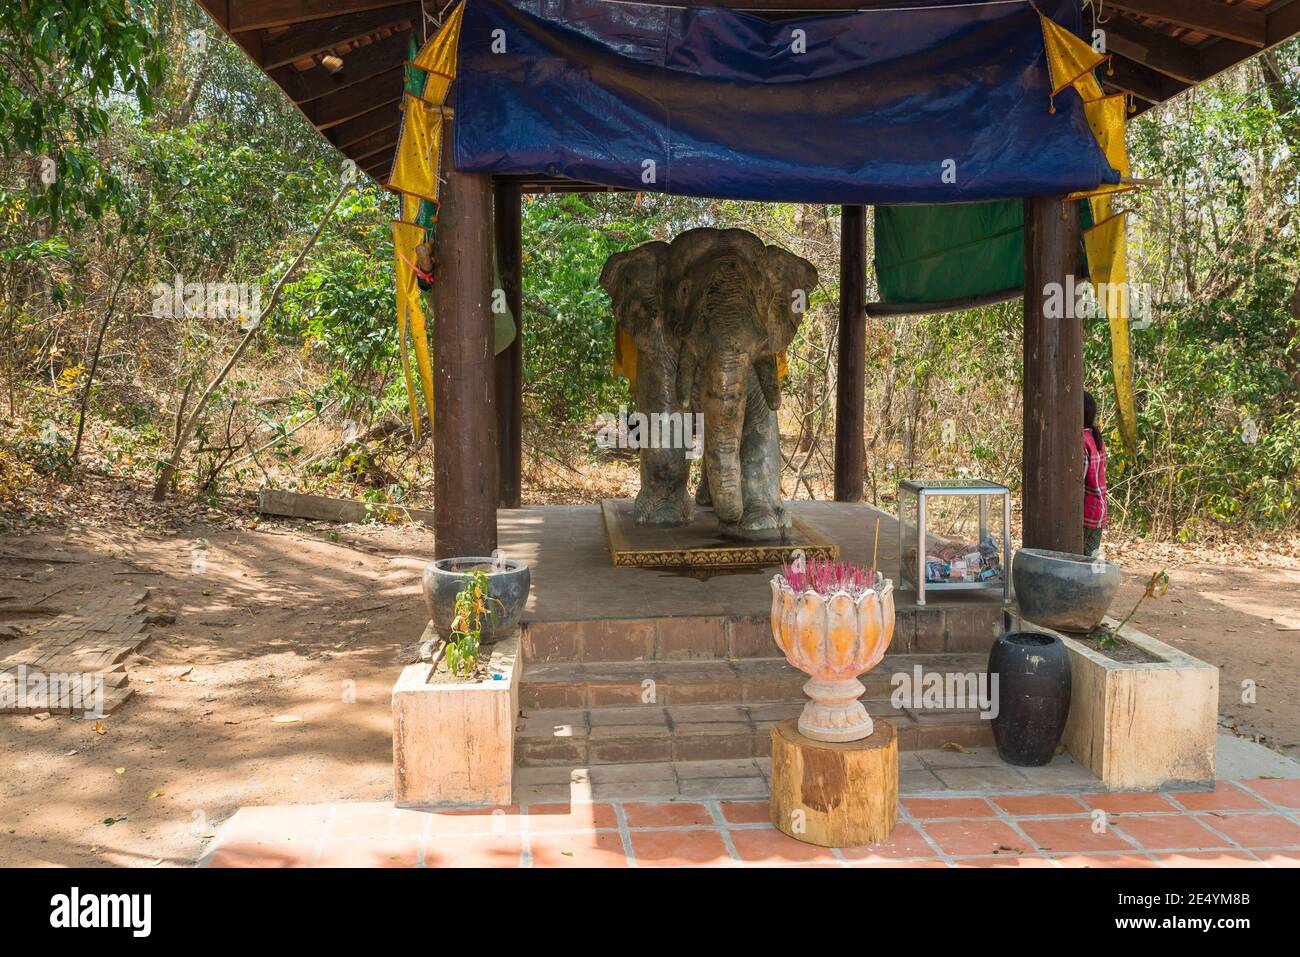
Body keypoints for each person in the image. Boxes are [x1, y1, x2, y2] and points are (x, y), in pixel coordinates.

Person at [1083, 391, 1107, 557]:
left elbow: (1078, 479)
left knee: (1079, 564)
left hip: (1085, 512)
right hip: (1098, 509)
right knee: (1090, 562)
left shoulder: (1081, 440)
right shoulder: (1095, 436)